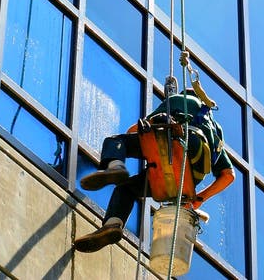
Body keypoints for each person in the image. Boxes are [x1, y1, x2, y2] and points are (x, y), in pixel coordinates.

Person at [74, 88, 235, 253]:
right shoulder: (215, 130)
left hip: (179, 145)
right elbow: (228, 175)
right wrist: (199, 198)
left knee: (116, 141)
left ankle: (116, 166)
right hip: (188, 179)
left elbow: (137, 129)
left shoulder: (182, 99)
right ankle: (112, 227)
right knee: (128, 188)